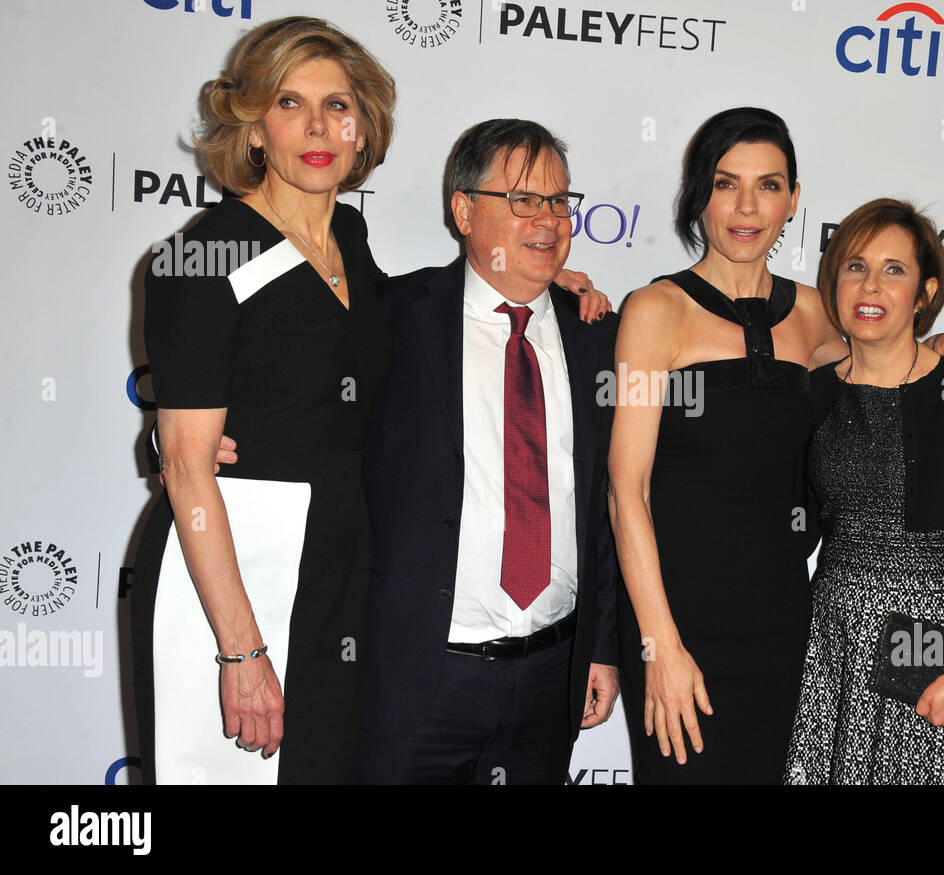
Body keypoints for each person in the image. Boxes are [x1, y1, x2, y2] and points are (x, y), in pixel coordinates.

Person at [608, 107, 944, 784]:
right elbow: (627, 491)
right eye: (726, 182)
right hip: (680, 616)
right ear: (698, 191)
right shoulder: (653, 312)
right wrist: (659, 646)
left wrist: (943, 342)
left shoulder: (816, 315)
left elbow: (883, 347)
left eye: (768, 185)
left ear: (793, 199)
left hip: (794, 622)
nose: (745, 206)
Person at [131, 16, 397, 784]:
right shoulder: (201, 253)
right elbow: (185, 466)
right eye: (289, 103)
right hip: (235, 570)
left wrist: (542, 286)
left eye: (338, 105)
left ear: (362, 128)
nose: (318, 126)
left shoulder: (351, 236)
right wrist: (241, 651)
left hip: (341, 568)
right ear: (253, 129)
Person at [358, 119, 621, 784]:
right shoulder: (392, 317)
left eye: (560, 202)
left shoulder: (601, 340)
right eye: (523, 200)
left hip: (549, 680)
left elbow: (610, 508)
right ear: (463, 209)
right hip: (418, 681)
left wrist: (603, 647)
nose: (548, 220)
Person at [782, 199, 944, 785]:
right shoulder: (811, 395)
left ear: (924, 292)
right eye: (855, 266)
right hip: (833, 642)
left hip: (936, 644)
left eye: (894, 270)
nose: (871, 285)